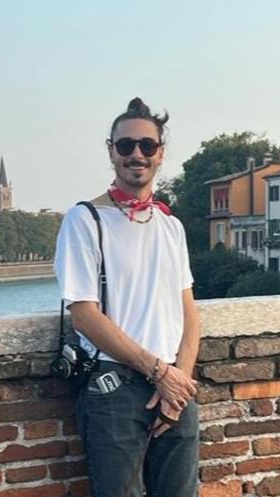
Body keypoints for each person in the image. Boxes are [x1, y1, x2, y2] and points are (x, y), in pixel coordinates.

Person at [54, 97, 200, 497]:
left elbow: (189, 314)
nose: (137, 154)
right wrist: (160, 374)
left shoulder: (171, 226)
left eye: (147, 145)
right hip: (113, 386)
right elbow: (84, 315)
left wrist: (178, 385)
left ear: (160, 154)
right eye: (126, 145)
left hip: (174, 382)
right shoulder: (85, 220)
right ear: (111, 151)